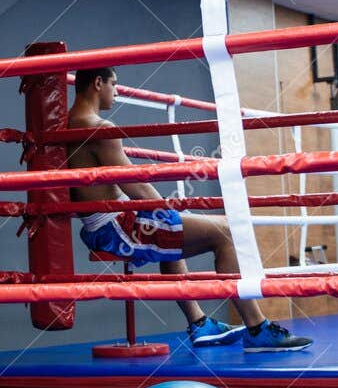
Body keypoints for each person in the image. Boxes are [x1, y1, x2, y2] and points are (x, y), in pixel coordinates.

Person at [65, 67, 311, 351]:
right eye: (114, 84)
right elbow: (137, 188)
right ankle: (257, 328)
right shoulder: (100, 129)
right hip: (118, 228)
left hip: (105, 224)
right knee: (226, 233)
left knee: (175, 231)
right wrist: (168, 212)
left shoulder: (68, 124)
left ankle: (199, 323)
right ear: (98, 83)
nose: (117, 92)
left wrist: (169, 216)